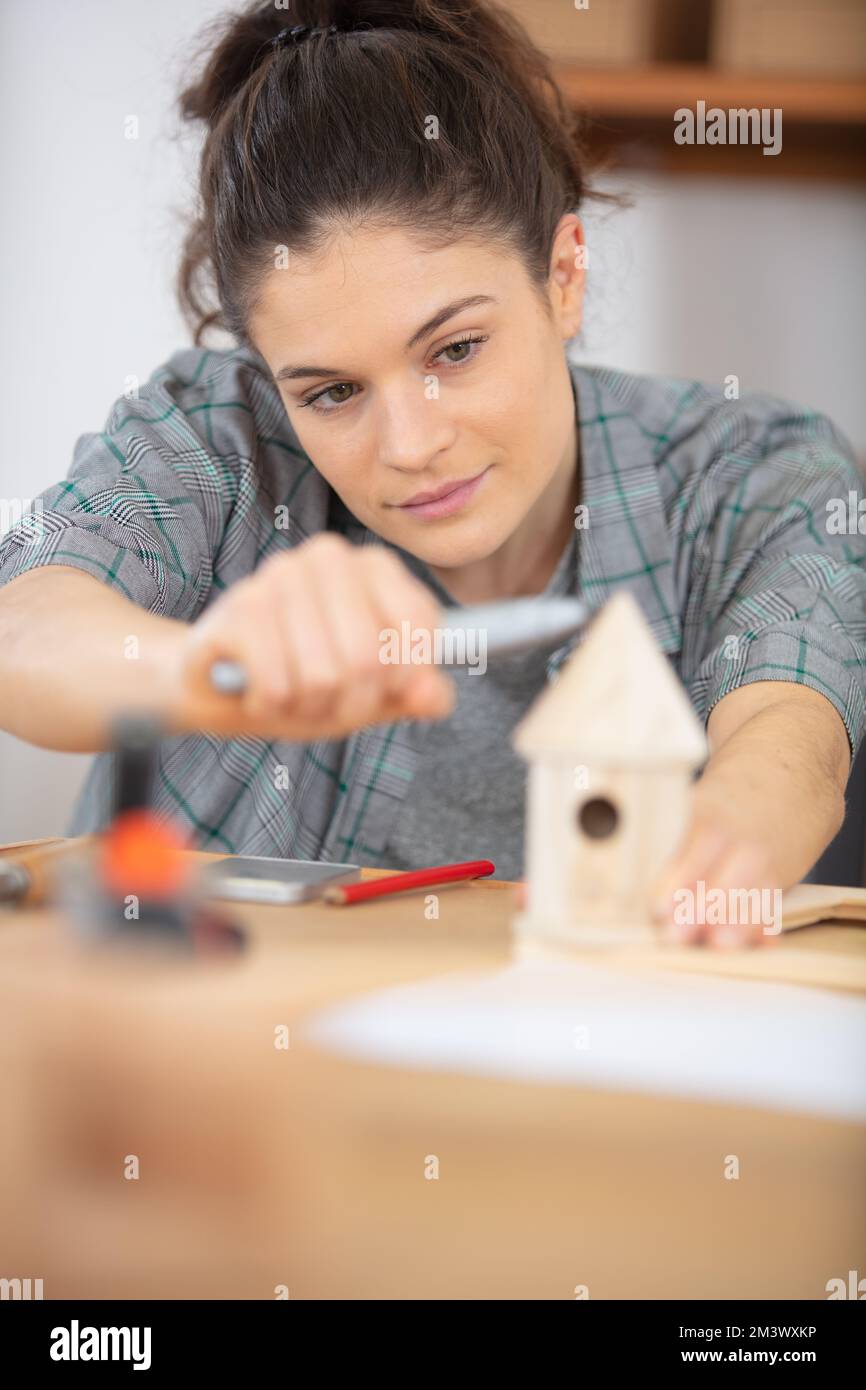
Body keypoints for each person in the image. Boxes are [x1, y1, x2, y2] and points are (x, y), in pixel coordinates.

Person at [1, 1, 864, 946]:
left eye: (454, 349)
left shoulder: (756, 471)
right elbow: (23, 625)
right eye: (332, 392)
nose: (409, 445)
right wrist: (208, 670)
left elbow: (791, 734)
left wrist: (722, 841)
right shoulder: (215, 438)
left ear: (563, 278)